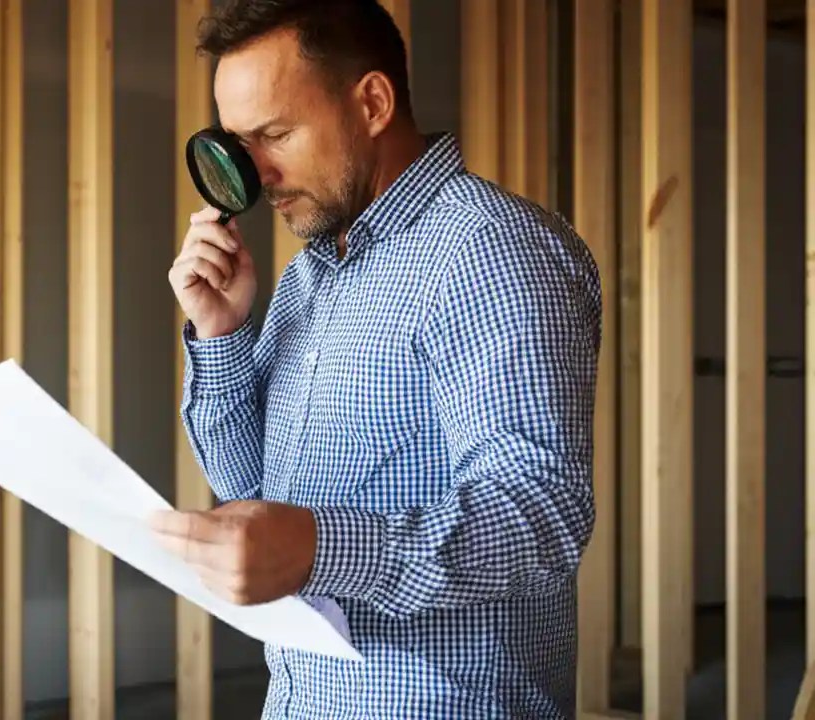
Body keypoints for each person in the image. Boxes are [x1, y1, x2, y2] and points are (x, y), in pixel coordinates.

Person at [148, 0, 601, 717]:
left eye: (275, 134)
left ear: (373, 102)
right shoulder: (309, 275)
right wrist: (222, 332)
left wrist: (323, 548)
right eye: (237, 143)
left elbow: (540, 516)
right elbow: (252, 493)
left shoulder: (490, 250)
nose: (256, 173)